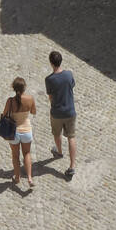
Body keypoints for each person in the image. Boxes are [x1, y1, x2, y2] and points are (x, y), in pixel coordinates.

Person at [45, 50, 77, 182]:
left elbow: (51, 97)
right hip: (70, 111)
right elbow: (72, 86)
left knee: (56, 133)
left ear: (51, 63)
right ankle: (72, 166)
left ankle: (59, 151)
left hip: (57, 113)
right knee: (71, 137)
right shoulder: (69, 75)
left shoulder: (49, 79)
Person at [2, 76, 36, 190]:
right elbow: (33, 111)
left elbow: (4, 114)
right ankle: (30, 178)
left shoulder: (10, 101)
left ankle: (17, 177)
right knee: (27, 153)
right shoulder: (30, 99)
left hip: (13, 132)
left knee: (15, 156)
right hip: (26, 131)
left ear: (13, 88)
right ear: (24, 88)